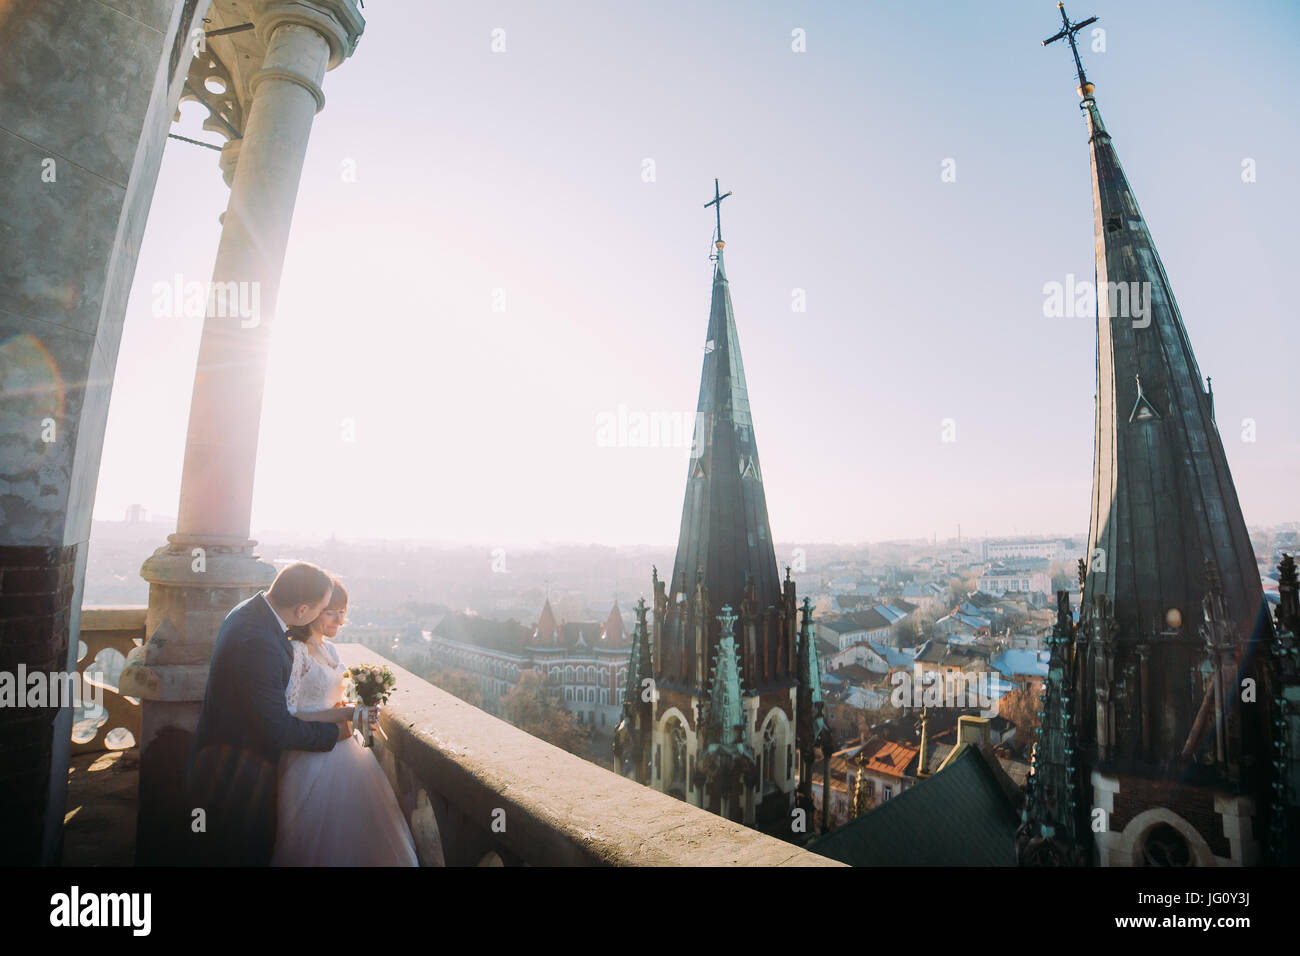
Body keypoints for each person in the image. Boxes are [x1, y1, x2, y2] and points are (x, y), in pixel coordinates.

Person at [188, 562, 351, 866]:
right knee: (239, 852)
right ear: (302, 610)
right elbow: (278, 728)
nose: (327, 614)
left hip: (224, 758)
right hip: (236, 772)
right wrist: (337, 732)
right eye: (323, 608)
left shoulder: (250, 610)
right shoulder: (259, 642)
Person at [270, 578, 418, 866]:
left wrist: (357, 708)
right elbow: (291, 713)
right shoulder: (296, 651)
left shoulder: (331, 650)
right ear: (312, 610)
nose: (340, 619)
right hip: (309, 755)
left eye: (343, 611)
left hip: (347, 751)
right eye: (331, 611)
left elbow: (332, 699)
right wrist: (346, 714)